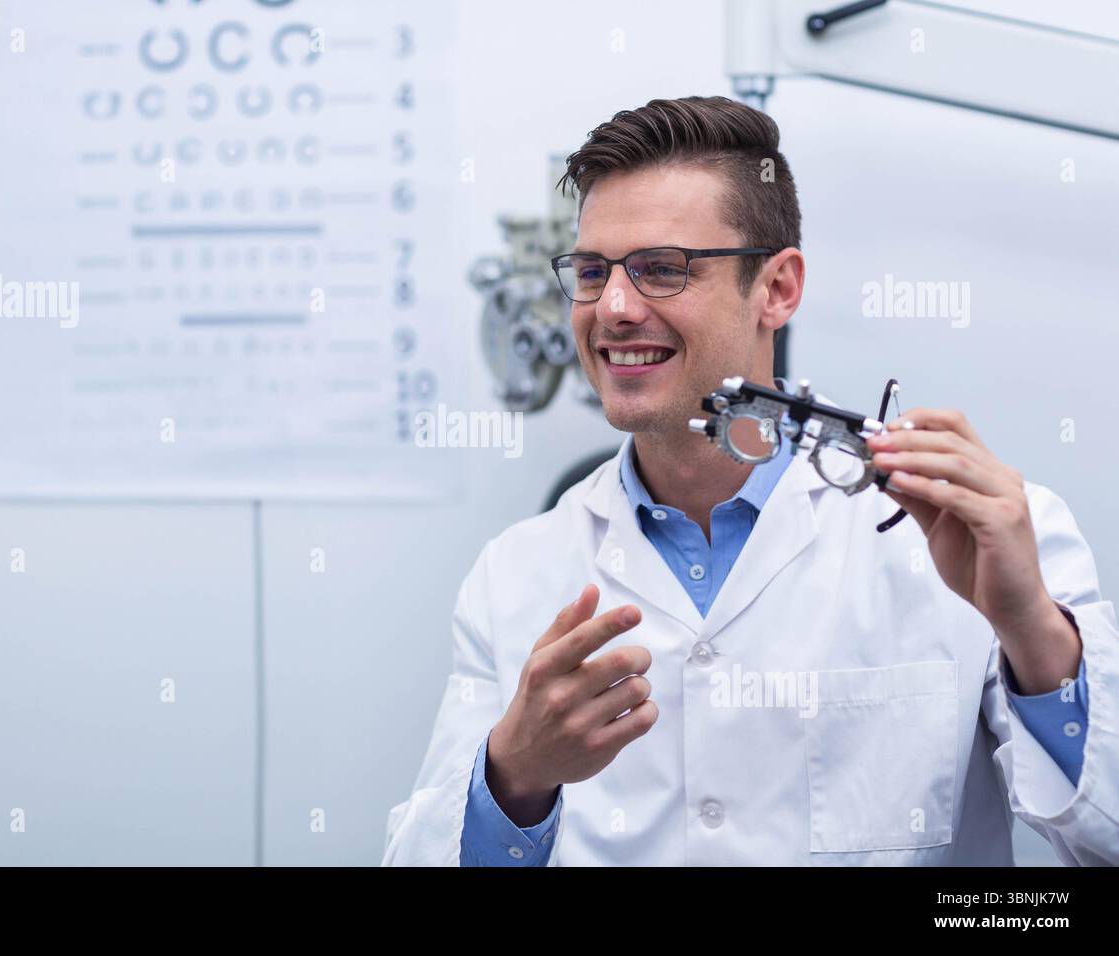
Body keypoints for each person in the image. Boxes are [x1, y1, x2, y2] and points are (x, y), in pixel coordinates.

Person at [383, 96, 1117, 866]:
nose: (615, 308)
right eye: (593, 272)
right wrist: (514, 778)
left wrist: (1032, 628)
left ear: (777, 289)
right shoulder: (513, 575)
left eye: (662, 269)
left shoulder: (983, 539)